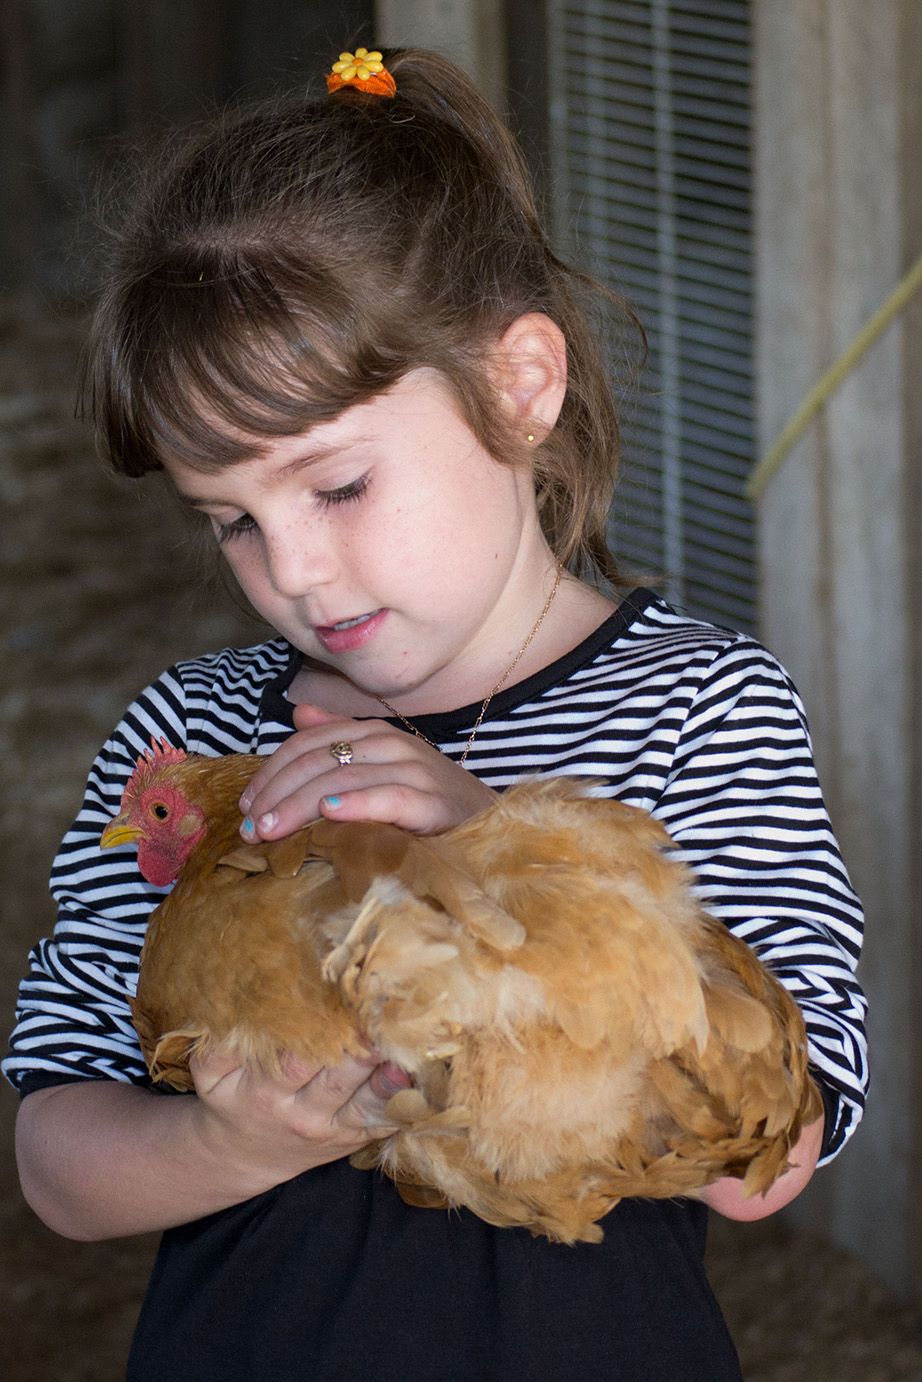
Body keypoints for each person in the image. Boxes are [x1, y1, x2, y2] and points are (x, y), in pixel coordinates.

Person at [4, 46, 867, 1381]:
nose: (291, 568)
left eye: (335, 486)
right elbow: (56, 1162)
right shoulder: (194, 743)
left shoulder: (697, 707)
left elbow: (770, 1157)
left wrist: (507, 854)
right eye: (233, 518)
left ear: (520, 384)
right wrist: (225, 1144)